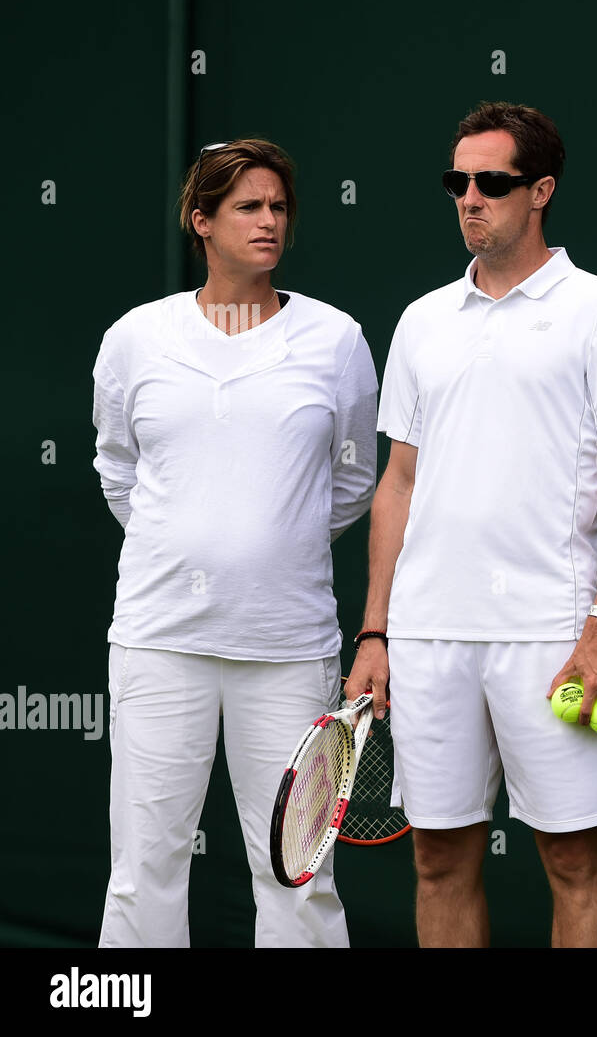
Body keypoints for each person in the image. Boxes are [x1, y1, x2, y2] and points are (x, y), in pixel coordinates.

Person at [346, 102, 597, 947]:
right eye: (458, 182)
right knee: (439, 864)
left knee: (573, 864)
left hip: (552, 636)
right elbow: (398, 484)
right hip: (429, 636)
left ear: (541, 191)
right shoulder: (420, 321)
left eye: (492, 182)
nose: (470, 197)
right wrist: (376, 632)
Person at [92, 138, 378, 946]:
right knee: (144, 864)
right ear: (202, 220)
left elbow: (352, 482)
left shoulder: (336, 340)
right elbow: (121, 474)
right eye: (248, 206)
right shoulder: (134, 339)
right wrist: (195, 549)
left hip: (288, 647)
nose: (268, 221)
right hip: (158, 643)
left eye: (279, 206)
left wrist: (269, 546)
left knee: (298, 869)